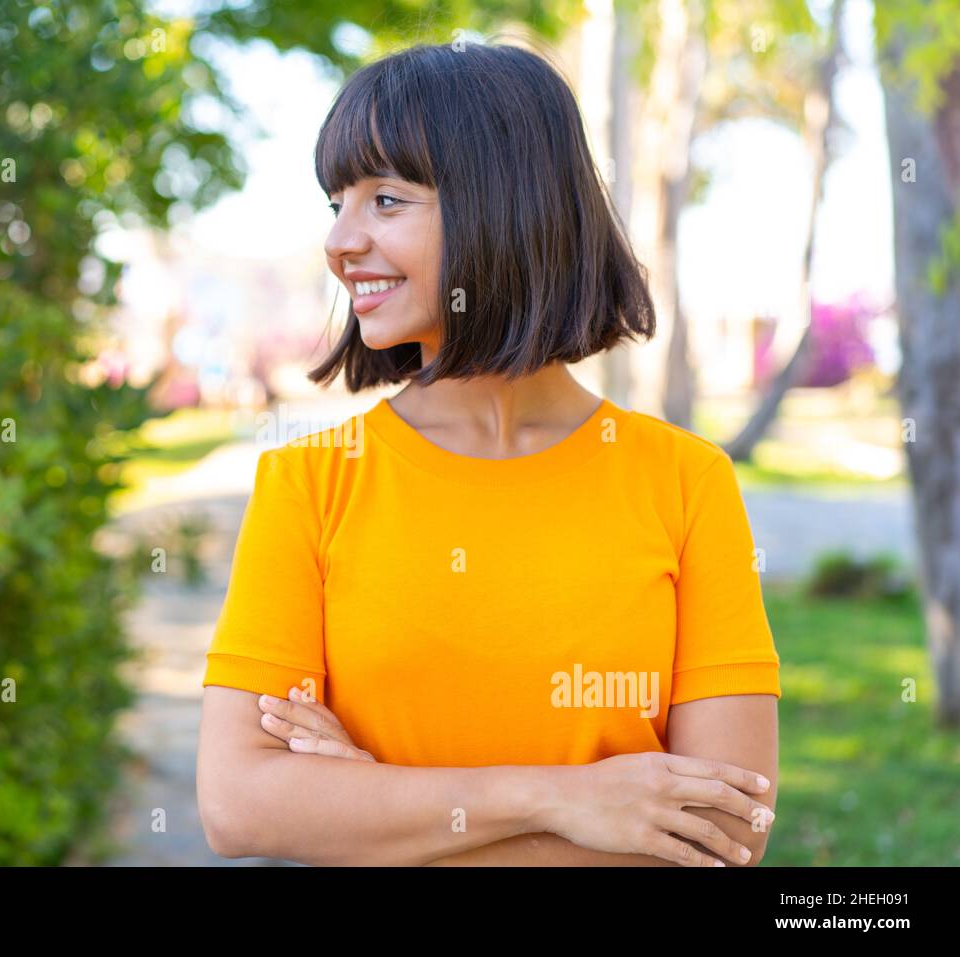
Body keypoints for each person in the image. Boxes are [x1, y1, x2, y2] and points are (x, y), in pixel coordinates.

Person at [196, 39, 780, 866]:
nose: (340, 241)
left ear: (506, 205)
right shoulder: (307, 483)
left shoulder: (685, 481)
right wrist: (570, 800)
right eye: (337, 204)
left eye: (386, 200)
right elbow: (238, 806)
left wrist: (376, 803)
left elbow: (726, 829)